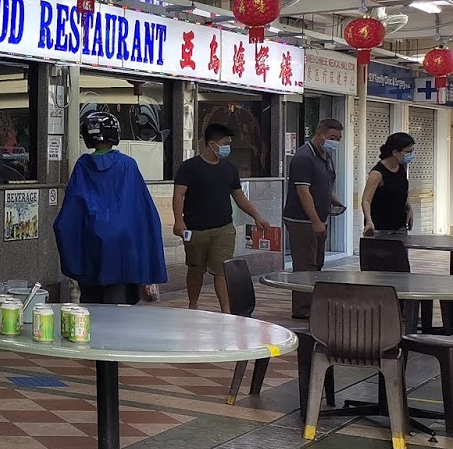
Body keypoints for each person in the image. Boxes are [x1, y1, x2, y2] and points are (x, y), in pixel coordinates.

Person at [54, 110, 167, 305]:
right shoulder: (128, 165)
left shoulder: (82, 165)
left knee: (90, 299)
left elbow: (71, 211)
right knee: (117, 299)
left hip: (90, 243)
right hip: (123, 245)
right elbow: (143, 211)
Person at [172, 122, 272, 312]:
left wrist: (256, 215)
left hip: (224, 229)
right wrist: (179, 221)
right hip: (195, 230)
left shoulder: (230, 168)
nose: (228, 147)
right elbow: (179, 194)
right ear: (212, 144)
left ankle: (226, 310)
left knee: (222, 271)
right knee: (195, 270)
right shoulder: (189, 167)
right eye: (225, 143)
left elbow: (239, 195)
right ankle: (193, 305)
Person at [283, 118, 345, 317]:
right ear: (320, 134)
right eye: (332, 137)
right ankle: (302, 309)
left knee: (317, 264)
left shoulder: (325, 156)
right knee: (305, 265)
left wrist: (333, 200)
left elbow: (322, 185)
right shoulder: (304, 157)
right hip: (302, 220)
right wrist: (316, 221)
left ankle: (314, 304)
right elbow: (303, 191)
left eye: (339, 138)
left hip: (320, 218)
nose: (336, 142)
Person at [362, 132, 415, 236]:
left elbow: (402, 191)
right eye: (408, 151)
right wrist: (369, 221)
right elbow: (366, 200)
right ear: (395, 152)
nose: (411, 155)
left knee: (400, 251)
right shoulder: (377, 173)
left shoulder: (402, 168)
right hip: (380, 227)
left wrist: (409, 209)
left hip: (400, 226)